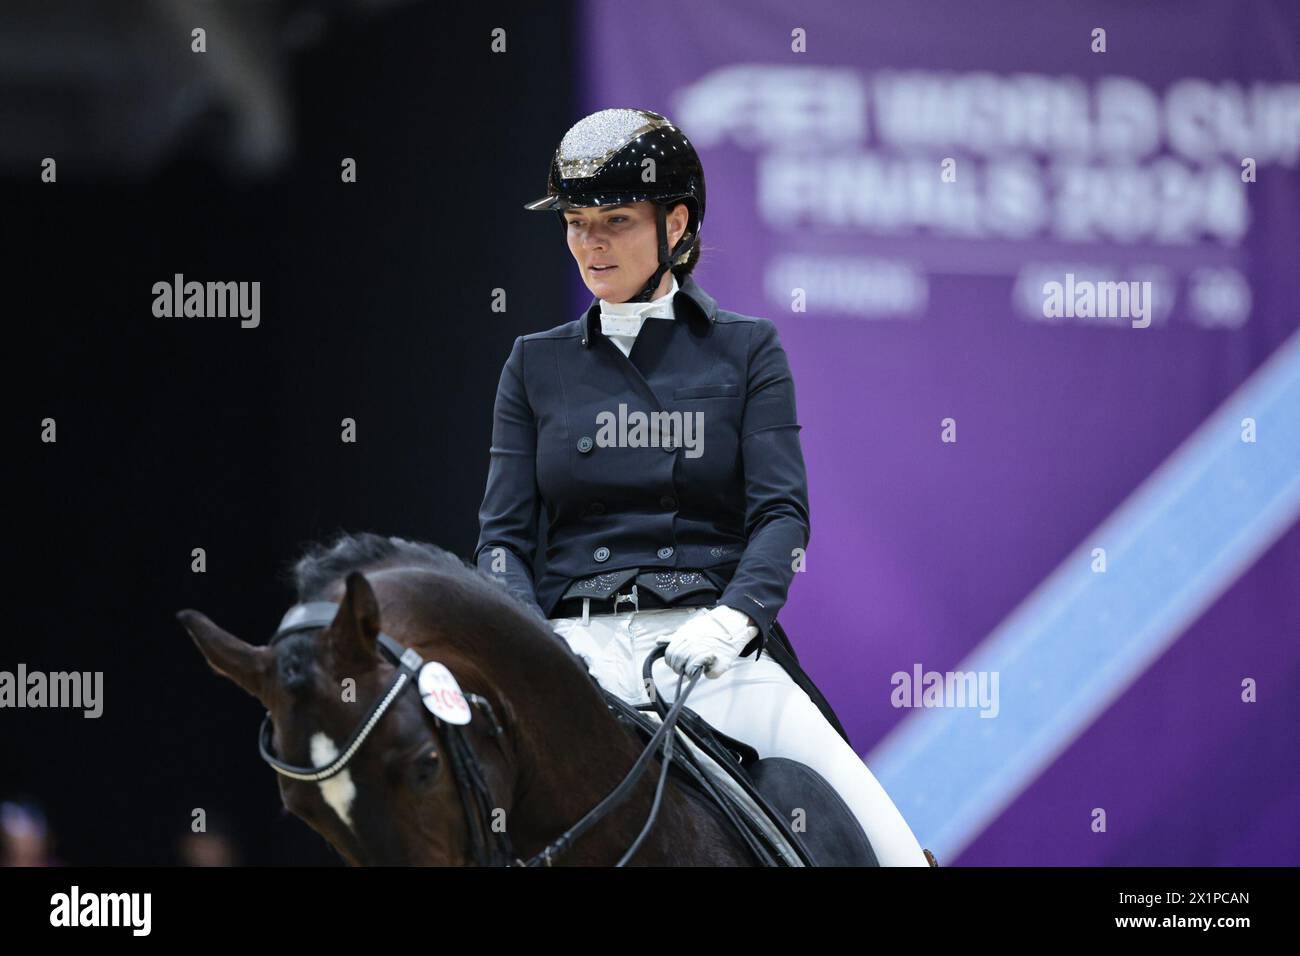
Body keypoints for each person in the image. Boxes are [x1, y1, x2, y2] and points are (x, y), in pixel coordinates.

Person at [475, 107, 933, 866]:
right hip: (570, 654)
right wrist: (538, 648)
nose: (589, 244)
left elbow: (781, 516)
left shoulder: (747, 351)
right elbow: (501, 541)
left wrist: (733, 621)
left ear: (675, 222)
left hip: (715, 655)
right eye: (576, 221)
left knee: (891, 847)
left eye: (615, 220)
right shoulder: (533, 365)